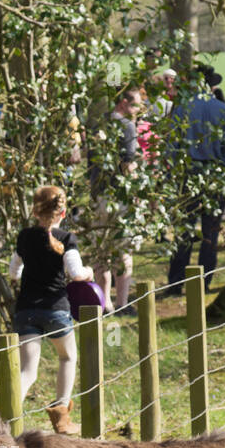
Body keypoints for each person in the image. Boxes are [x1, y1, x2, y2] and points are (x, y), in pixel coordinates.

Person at [7, 186, 92, 435]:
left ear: (35, 211)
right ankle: (61, 415)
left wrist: (27, 273)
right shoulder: (67, 239)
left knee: (27, 371)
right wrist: (89, 273)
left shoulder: (24, 237)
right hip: (56, 310)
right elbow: (76, 274)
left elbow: (14, 272)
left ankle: (8, 414)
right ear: (63, 212)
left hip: (26, 311)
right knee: (67, 357)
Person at [166, 65, 225, 294]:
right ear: (211, 85)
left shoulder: (182, 108)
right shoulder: (222, 110)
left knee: (184, 230)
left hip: (187, 175)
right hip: (215, 176)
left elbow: (173, 146)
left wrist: (172, 173)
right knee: (211, 232)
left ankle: (176, 283)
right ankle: (203, 283)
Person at [87, 86, 144, 315]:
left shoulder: (97, 124)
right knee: (122, 250)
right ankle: (122, 303)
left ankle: (104, 304)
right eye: (136, 105)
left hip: (97, 194)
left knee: (101, 251)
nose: (137, 110)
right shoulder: (127, 127)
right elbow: (127, 163)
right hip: (119, 196)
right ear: (123, 103)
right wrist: (138, 192)